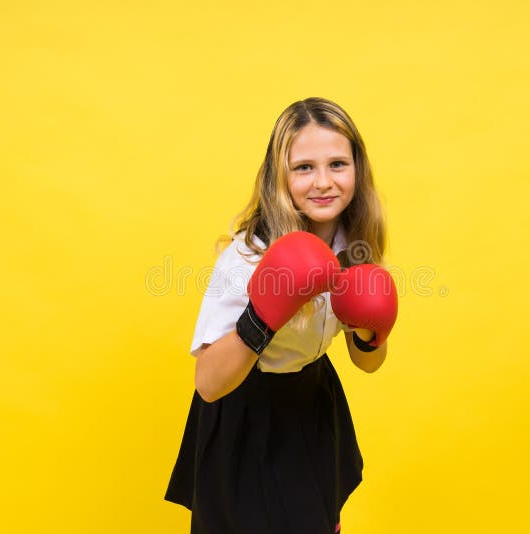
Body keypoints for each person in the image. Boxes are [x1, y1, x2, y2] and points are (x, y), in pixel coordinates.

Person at [164, 97, 398, 533]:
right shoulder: (248, 256)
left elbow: (367, 362)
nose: (323, 182)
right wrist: (265, 313)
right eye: (304, 167)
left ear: (357, 170)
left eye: (337, 165)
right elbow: (209, 384)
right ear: (280, 176)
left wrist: (372, 328)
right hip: (245, 411)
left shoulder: (354, 246)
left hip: (311, 403)